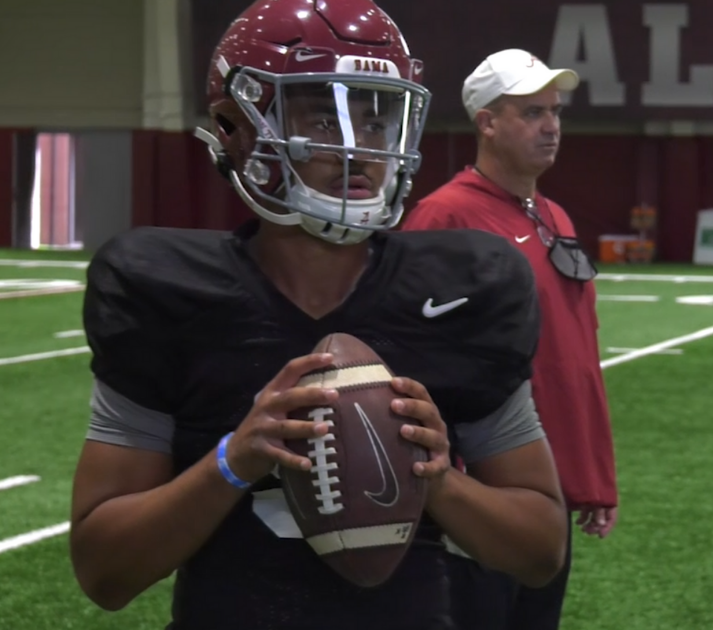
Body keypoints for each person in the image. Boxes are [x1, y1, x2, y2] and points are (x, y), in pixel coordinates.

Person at [66, 4, 568, 629]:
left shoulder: (462, 289)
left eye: (376, 116)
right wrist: (235, 460)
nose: (358, 146)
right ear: (236, 126)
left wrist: (437, 482)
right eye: (323, 114)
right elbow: (104, 572)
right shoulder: (166, 291)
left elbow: (542, 549)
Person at [399, 49, 619, 630]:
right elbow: (406, 357)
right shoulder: (443, 218)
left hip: (546, 496)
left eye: (555, 112)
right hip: (484, 496)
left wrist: (591, 475)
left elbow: (576, 358)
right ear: (487, 123)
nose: (550, 127)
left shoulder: (556, 217)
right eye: (530, 113)